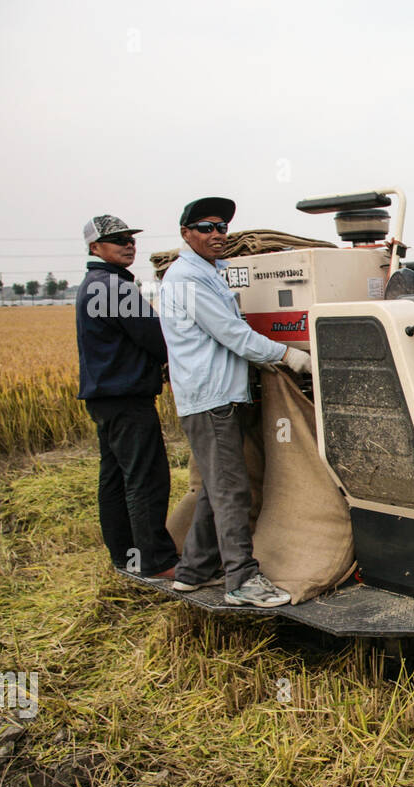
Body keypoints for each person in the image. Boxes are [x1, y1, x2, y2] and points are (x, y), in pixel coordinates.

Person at [158, 197, 311, 607]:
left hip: (222, 396)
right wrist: (289, 355)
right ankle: (242, 580)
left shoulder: (211, 273)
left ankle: (193, 571)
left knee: (214, 487)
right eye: (206, 228)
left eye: (222, 227)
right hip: (211, 401)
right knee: (232, 491)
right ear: (185, 233)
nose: (217, 235)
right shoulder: (187, 280)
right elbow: (233, 334)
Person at [75, 214, 179, 580]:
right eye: (118, 240)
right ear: (95, 247)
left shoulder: (94, 283)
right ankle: (158, 562)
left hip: (105, 399)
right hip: (127, 399)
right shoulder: (112, 287)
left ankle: (125, 557)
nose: (128, 244)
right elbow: (158, 339)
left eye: (130, 238)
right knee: (146, 479)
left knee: (115, 479)